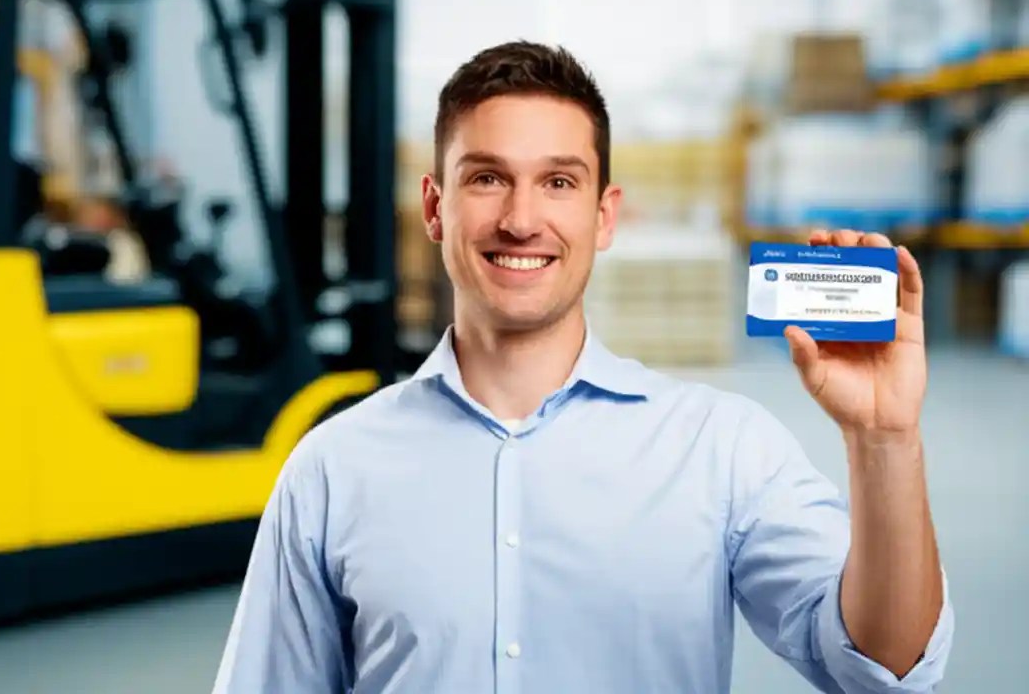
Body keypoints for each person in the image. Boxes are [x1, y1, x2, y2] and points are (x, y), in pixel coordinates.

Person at [211, 41, 953, 693]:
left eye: (558, 182)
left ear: (604, 215)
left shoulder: (720, 449)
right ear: (435, 208)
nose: (521, 219)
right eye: (487, 178)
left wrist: (885, 440)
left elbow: (883, 670)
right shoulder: (332, 470)